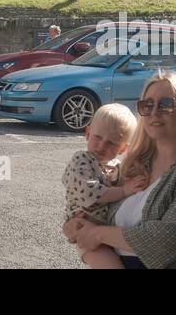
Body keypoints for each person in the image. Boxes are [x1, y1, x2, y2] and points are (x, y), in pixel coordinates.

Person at [64, 71, 176, 268]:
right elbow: (96, 205)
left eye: (166, 104)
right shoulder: (137, 162)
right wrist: (73, 225)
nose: (154, 112)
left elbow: (164, 242)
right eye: (147, 105)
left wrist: (98, 234)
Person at [62, 103, 148, 267]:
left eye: (112, 143)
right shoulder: (81, 161)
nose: (101, 146)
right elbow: (92, 193)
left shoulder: (116, 166)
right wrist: (124, 190)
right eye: (98, 137)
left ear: (123, 148)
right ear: (88, 133)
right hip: (83, 229)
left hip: (106, 230)